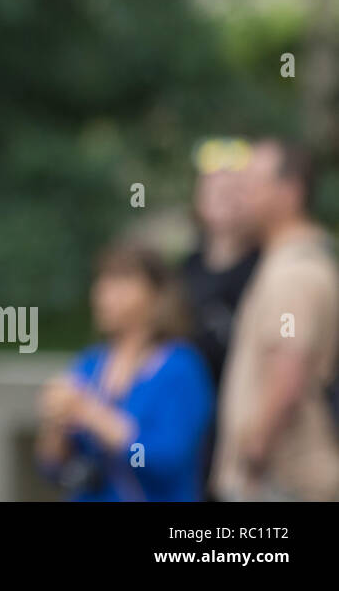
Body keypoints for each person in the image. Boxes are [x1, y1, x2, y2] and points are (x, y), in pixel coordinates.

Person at [211, 137, 339, 501]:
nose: (241, 195)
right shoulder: (289, 264)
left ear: (290, 192)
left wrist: (253, 457)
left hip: (280, 483)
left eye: (252, 184)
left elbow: (287, 374)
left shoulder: (294, 274)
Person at [36, 241, 214, 501]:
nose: (103, 294)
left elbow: (166, 460)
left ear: (157, 295)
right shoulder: (90, 363)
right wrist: (55, 423)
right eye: (102, 282)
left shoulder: (181, 367)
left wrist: (91, 414)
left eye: (120, 282)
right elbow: (51, 468)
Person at [179, 137, 260, 499]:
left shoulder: (267, 267)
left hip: (247, 424)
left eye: (235, 189)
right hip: (189, 428)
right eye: (214, 188)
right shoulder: (186, 270)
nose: (224, 197)